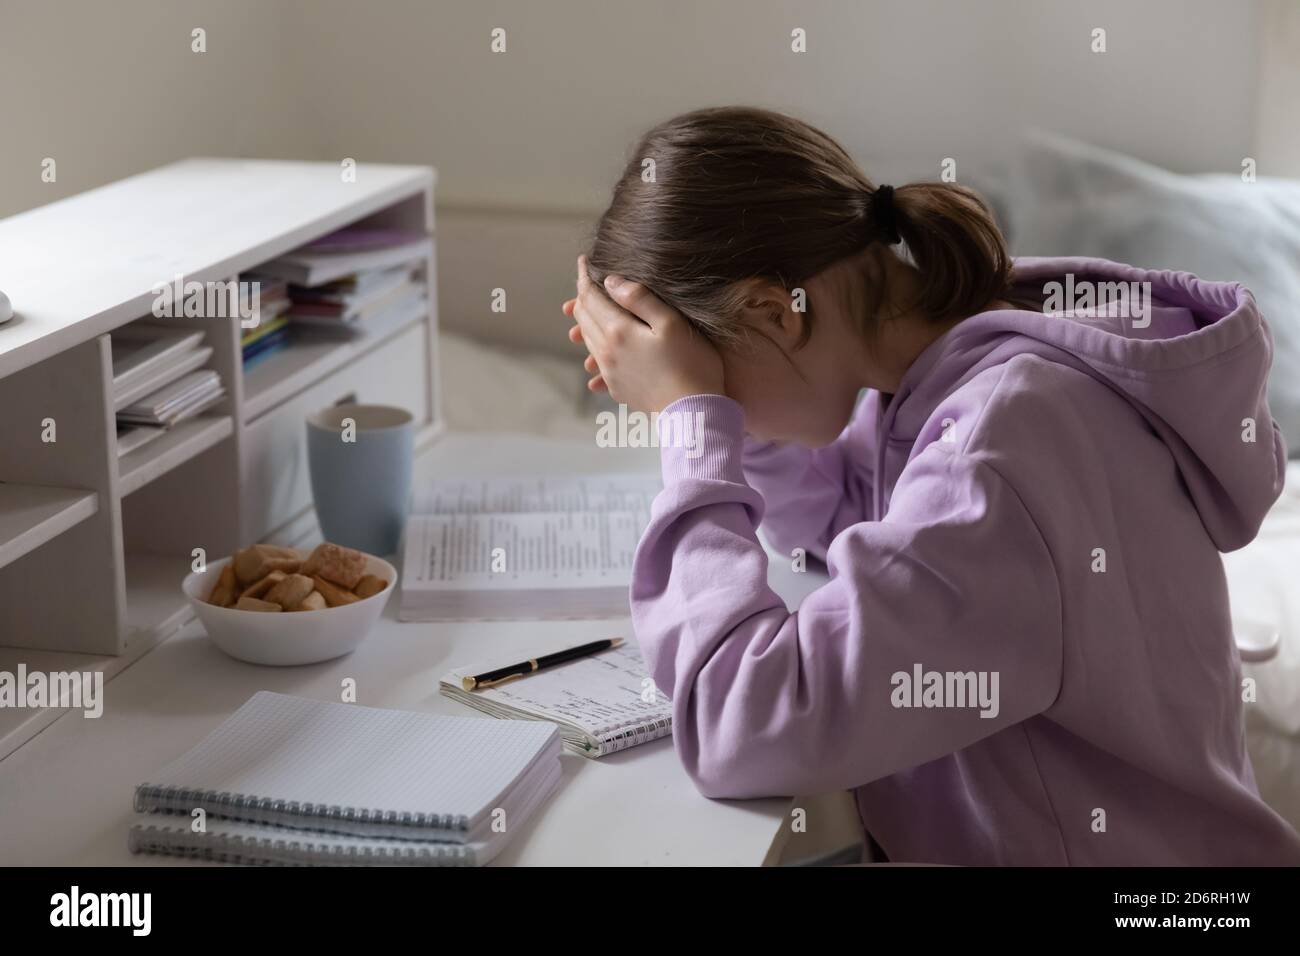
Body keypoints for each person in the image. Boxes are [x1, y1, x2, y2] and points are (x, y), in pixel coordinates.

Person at [564, 106, 1300, 865]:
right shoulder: (955, 361)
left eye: (712, 368)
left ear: (771, 312)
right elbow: (848, 517)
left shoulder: (997, 450)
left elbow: (746, 726)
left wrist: (691, 425)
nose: (718, 402)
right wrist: (714, 410)